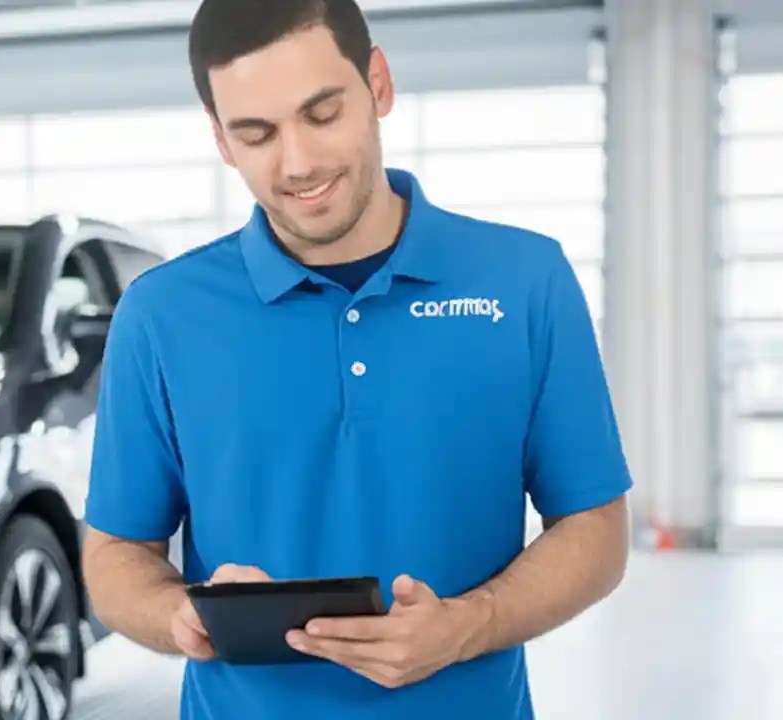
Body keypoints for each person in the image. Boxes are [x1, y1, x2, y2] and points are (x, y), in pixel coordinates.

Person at [81, 0, 632, 717]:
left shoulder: (524, 280)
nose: (299, 163)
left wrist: (469, 627)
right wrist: (183, 614)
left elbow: (594, 529)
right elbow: (117, 553)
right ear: (221, 140)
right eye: (257, 135)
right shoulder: (162, 314)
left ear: (378, 84)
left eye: (321, 114)